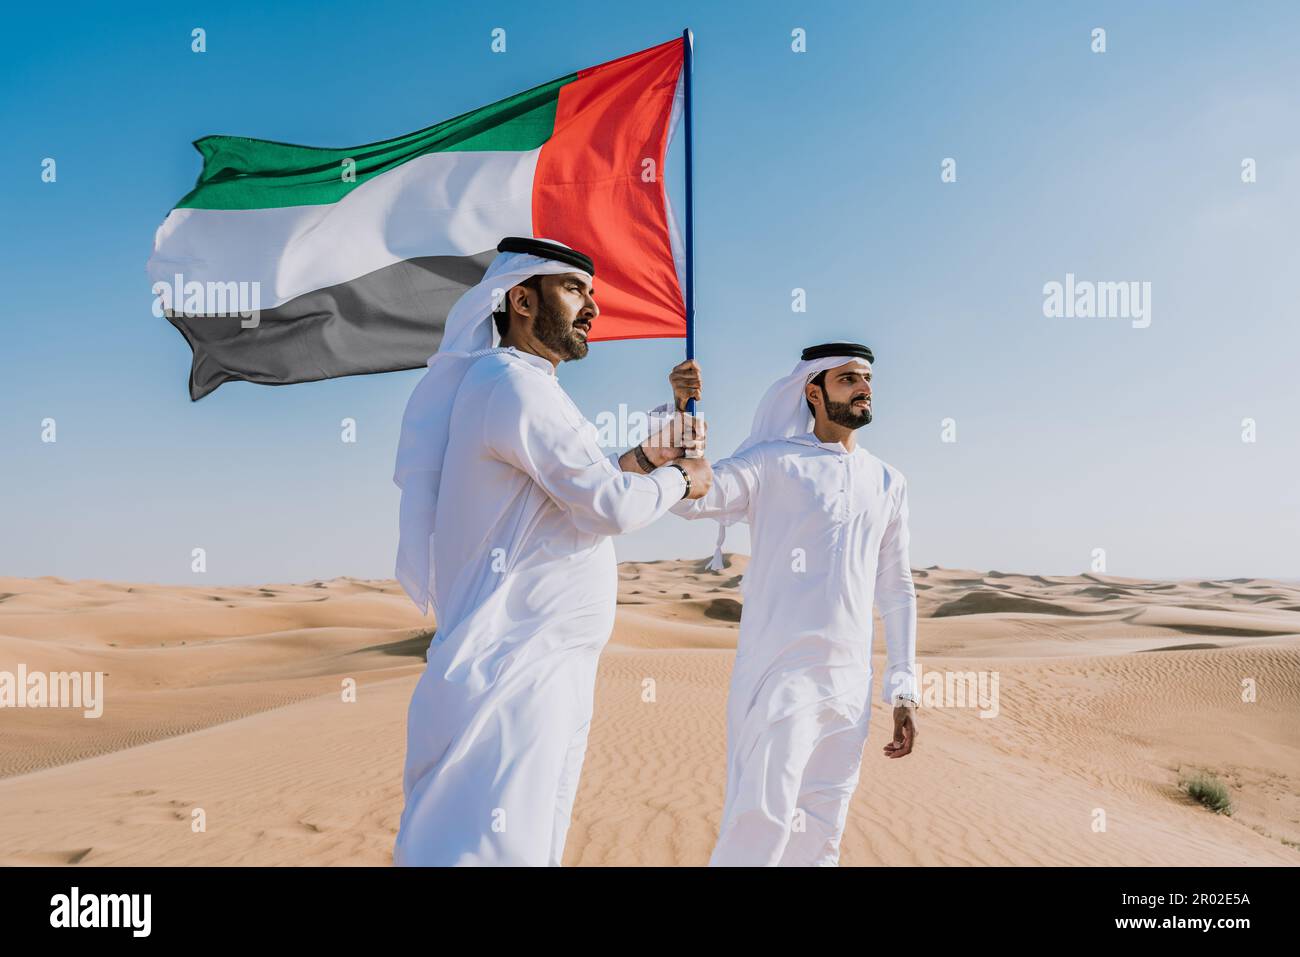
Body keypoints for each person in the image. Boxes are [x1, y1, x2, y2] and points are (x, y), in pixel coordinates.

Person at [391, 236, 712, 866]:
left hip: (543, 666)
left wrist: (652, 454)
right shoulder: (512, 384)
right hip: (514, 668)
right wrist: (680, 479)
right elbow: (608, 506)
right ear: (521, 300)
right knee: (491, 852)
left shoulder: (519, 386)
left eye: (592, 293)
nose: (593, 307)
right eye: (574, 289)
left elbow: (573, 494)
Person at [667, 342, 920, 866]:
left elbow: (895, 588)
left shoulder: (888, 481)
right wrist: (679, 415)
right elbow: (696, 498)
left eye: (867, 378)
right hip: (780, 674)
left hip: (850, 684)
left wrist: (904, 688)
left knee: (822, 833)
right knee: (761, 822)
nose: (864, 388)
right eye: (848, 379)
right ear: (813, 391)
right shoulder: (773, 462)